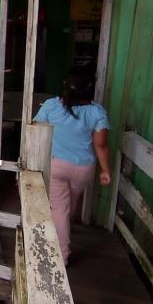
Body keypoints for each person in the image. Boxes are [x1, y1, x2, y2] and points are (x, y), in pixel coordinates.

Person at [34, 70, 111, 265]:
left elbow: (35, 128)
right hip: (84, 169)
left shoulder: (52, 106)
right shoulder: (97, 112)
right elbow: (100, 144)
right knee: (70, 204)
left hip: (57, 166)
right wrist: (105, 170)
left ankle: (62, 255)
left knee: (59, 209)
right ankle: (63, 230)